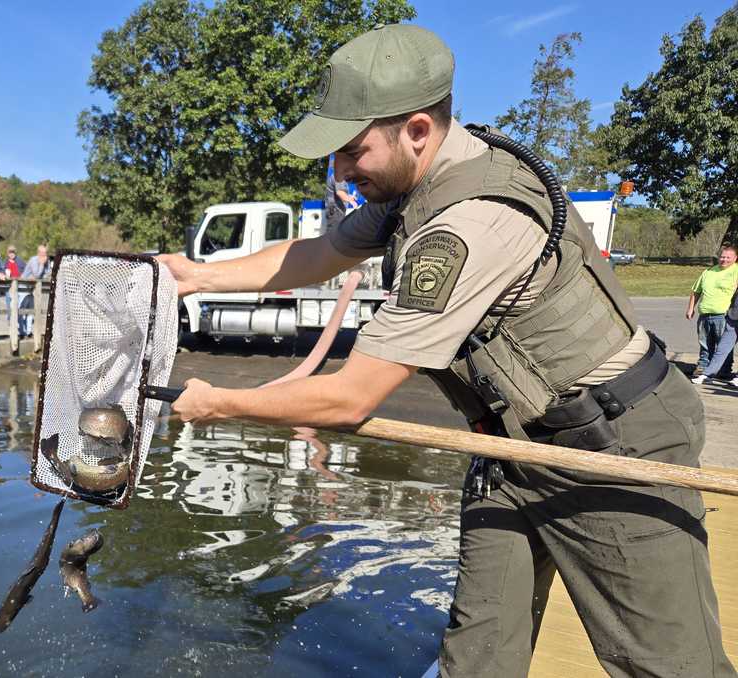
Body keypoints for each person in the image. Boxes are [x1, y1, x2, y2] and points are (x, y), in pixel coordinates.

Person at [158, 25, 733, 678]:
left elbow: (351, 398)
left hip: (614, 448)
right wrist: (195, 274)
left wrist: (218, 403)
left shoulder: (465, 228)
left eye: (352, 148)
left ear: (418, 130)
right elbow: (321, 253)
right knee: (477, 656)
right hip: (508, 450)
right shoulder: (414, 188)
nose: (343, 170)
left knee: (666, 666)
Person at [687, 245, 738, 381]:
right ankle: (703, 368)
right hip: (705, 314)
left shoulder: (736, 271)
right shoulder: (709, 271)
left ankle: (725, 371)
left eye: (728, 257)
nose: (724, 260)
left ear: (735, 258)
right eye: (722, 256)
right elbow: (695, 291)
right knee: (705, 344)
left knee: (724, 345)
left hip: (724, 315)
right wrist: (691, 308)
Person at [19, 244, 51, 337]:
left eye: (45, 253)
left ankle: (28, 332)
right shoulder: (34, 260)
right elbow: (37, 274)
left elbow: (47, 274)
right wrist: (41, 264)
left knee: (31, 311)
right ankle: (22, 332)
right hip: (23, 286)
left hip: (32, 288)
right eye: (42, 253)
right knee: (22, 310)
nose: (44, 256)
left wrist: (43, 271)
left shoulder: (47, 261)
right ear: (38, 253)